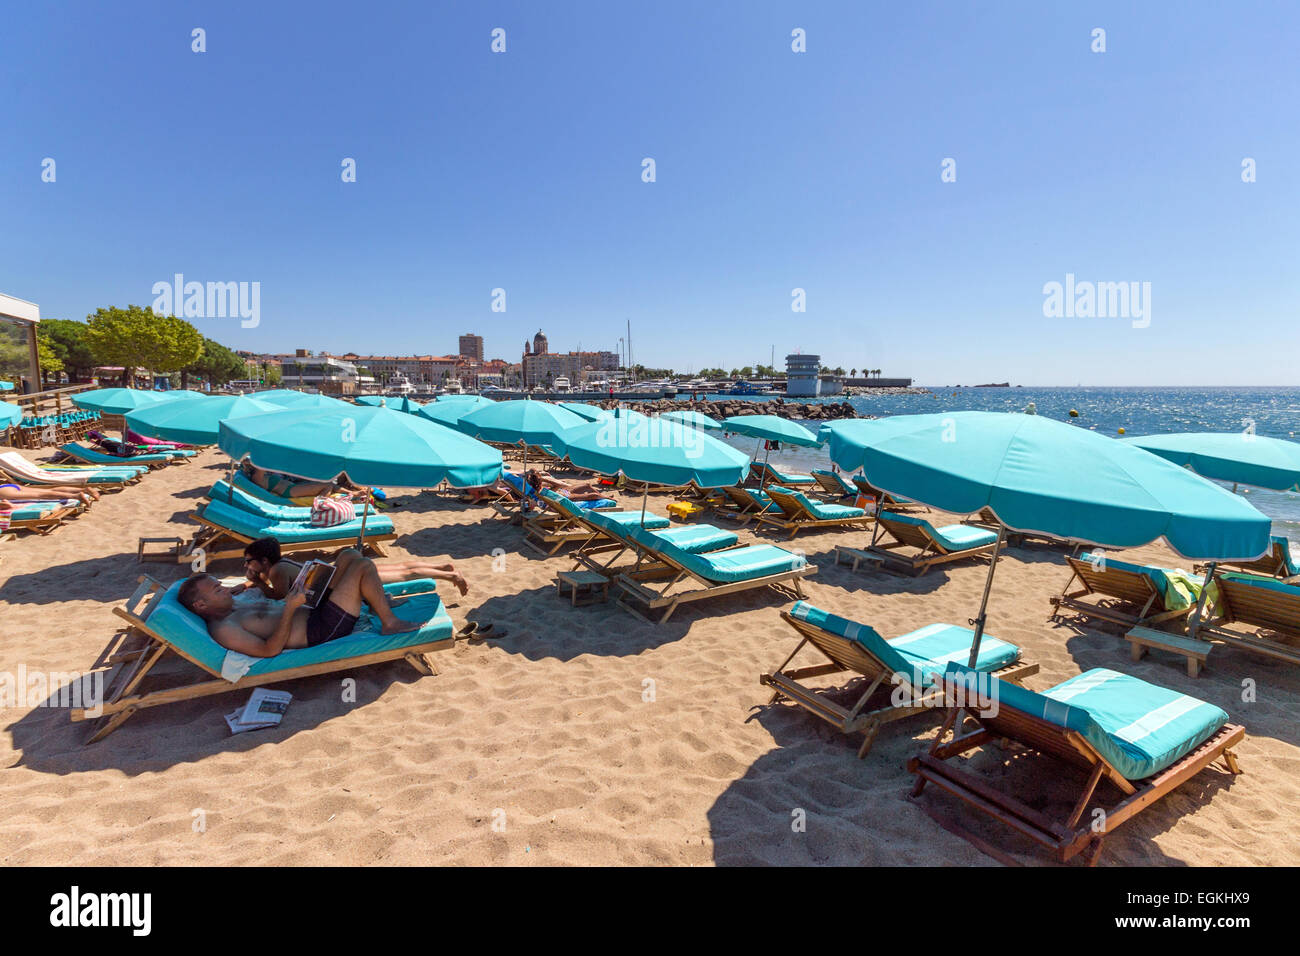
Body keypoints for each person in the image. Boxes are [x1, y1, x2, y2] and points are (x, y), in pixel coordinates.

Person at [178, 550, 426, 656]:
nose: (223, 588)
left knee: (349, 555)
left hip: (309, 607)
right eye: (216, 588)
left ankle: (375, 604)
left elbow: (258, 597)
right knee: (362, 566)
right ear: (201, 605)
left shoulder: (232, 602)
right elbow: (268, 651)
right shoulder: (224, 629)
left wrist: (251, 584)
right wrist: (289, 608)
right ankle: (389, 623)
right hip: (320, 628)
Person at [237, 537, 469, 598]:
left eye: (249, 560)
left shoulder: (276, 572)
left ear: (264, 561)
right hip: (335, 572)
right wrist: (252, 580)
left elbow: (279, 597)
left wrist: (256, 582)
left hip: (341, 581)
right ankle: (443, 567)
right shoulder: (278, 565)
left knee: (401, 575)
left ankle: (450, 576)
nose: (246, 564)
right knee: (399, 567)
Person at [240, 461, 338, 499]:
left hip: (292, 487)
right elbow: (262, 463)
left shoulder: (259, 476)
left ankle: (352, 493)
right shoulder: (257, 477)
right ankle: (321, 505)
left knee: (326, 483)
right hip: (290, 491)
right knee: (327, 485)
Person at [524, 469, 609, 501]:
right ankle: (608, 498)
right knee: (593, 495)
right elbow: (560, 485)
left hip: (563, 491)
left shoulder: (531, 487)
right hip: (567, 496)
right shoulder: (541, 492)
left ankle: (604, 496)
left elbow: (559, 486)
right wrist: (544, 478)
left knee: (587, 485)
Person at [0, 482, 98, 506]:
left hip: (4, 492)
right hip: (7, 486)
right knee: (49, 490)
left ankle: (75, 496)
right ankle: (84, 489)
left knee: (40, 495)